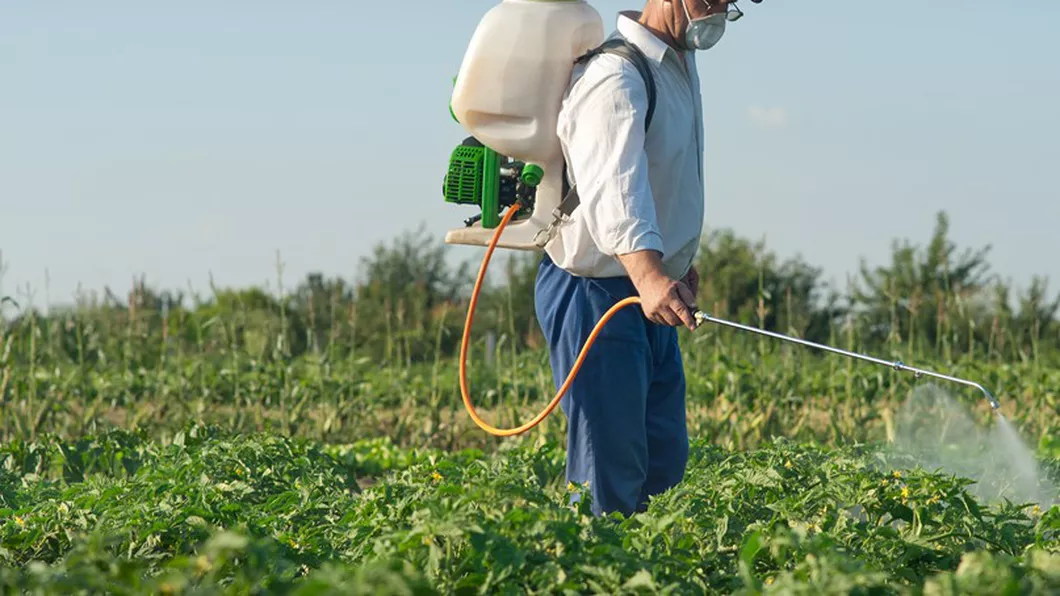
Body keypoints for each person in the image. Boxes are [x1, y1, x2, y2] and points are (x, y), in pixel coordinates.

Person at [534, 0, 741, 517]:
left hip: (644, 288)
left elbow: (664, 179)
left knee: (664, 463)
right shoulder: (615, 75)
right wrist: (649, 272)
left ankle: (645, 572)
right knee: (610, 468)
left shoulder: (676, 68)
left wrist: (674, 262)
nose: (722, 8)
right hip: (597, 292)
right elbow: (614, 190)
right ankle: (594, 574)